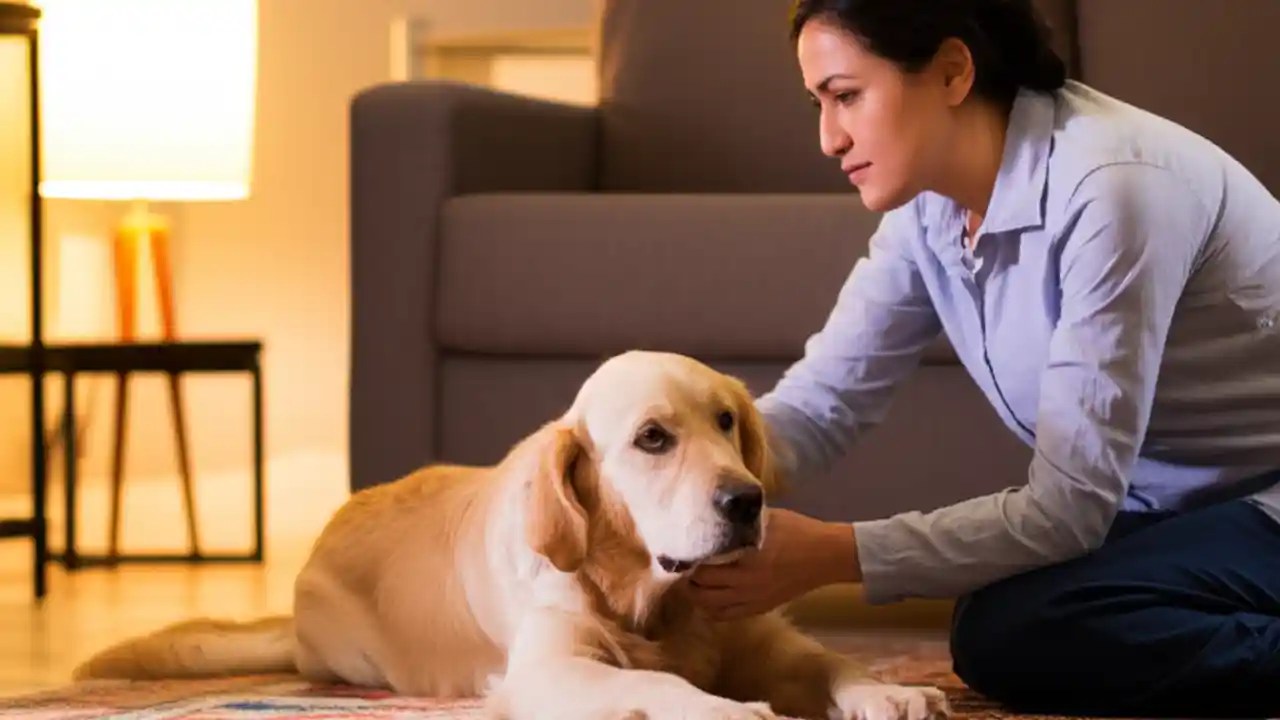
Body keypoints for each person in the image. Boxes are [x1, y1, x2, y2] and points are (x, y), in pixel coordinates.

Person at [686, 0, 1280, 716]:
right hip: (1181, 509)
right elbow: (822, 405)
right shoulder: (927, 208)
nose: (827, 138)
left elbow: (1068, 509)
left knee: (1022, 631)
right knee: (1000, 623)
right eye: (818, 102)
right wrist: (669, 472)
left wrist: (836, 553)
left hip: (1262, 499)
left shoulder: (1113, 187)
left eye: (846, 96)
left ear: (952, 71)